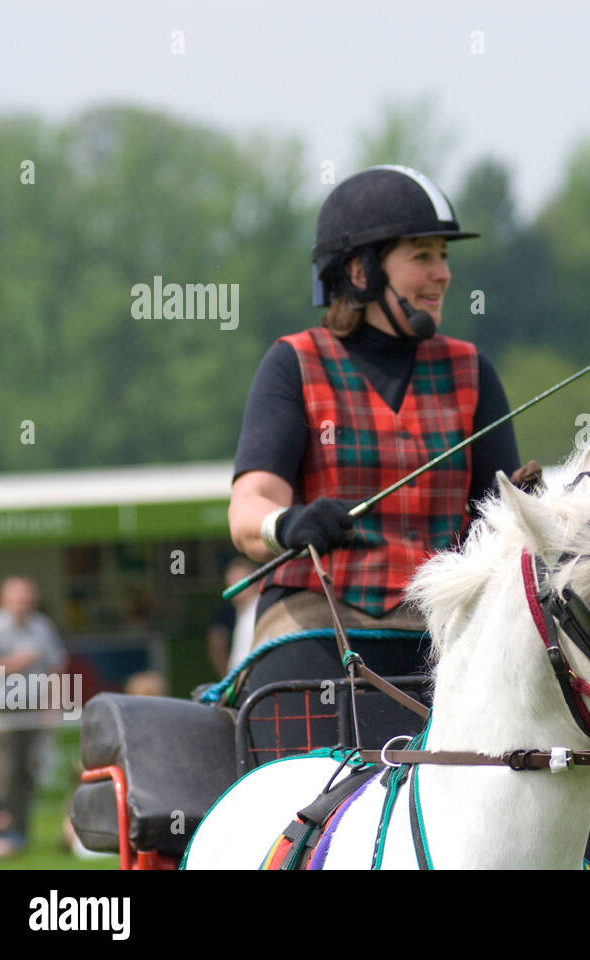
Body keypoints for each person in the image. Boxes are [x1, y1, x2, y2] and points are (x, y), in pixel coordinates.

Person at [227, 165, 538, 696]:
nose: (443, 273)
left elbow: (501, 522)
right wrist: (290, 522)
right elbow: (247, 509)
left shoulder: (471, 370)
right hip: (316, 626)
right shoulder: (292, 364)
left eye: (443, 256)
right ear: (360, 273)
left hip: (445, 633)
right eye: (422, 257)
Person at [0, 576, 68, 855]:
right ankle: (1, 832)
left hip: (34, 712)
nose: (22, 605)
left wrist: (53, 706)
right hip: (0, 713)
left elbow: (56, 667)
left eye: (27, 599)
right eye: (17, 599)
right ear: (3, 600)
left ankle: (21, 833)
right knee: (3, 773)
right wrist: (15, 663)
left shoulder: (42, 626)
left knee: (28, 773)